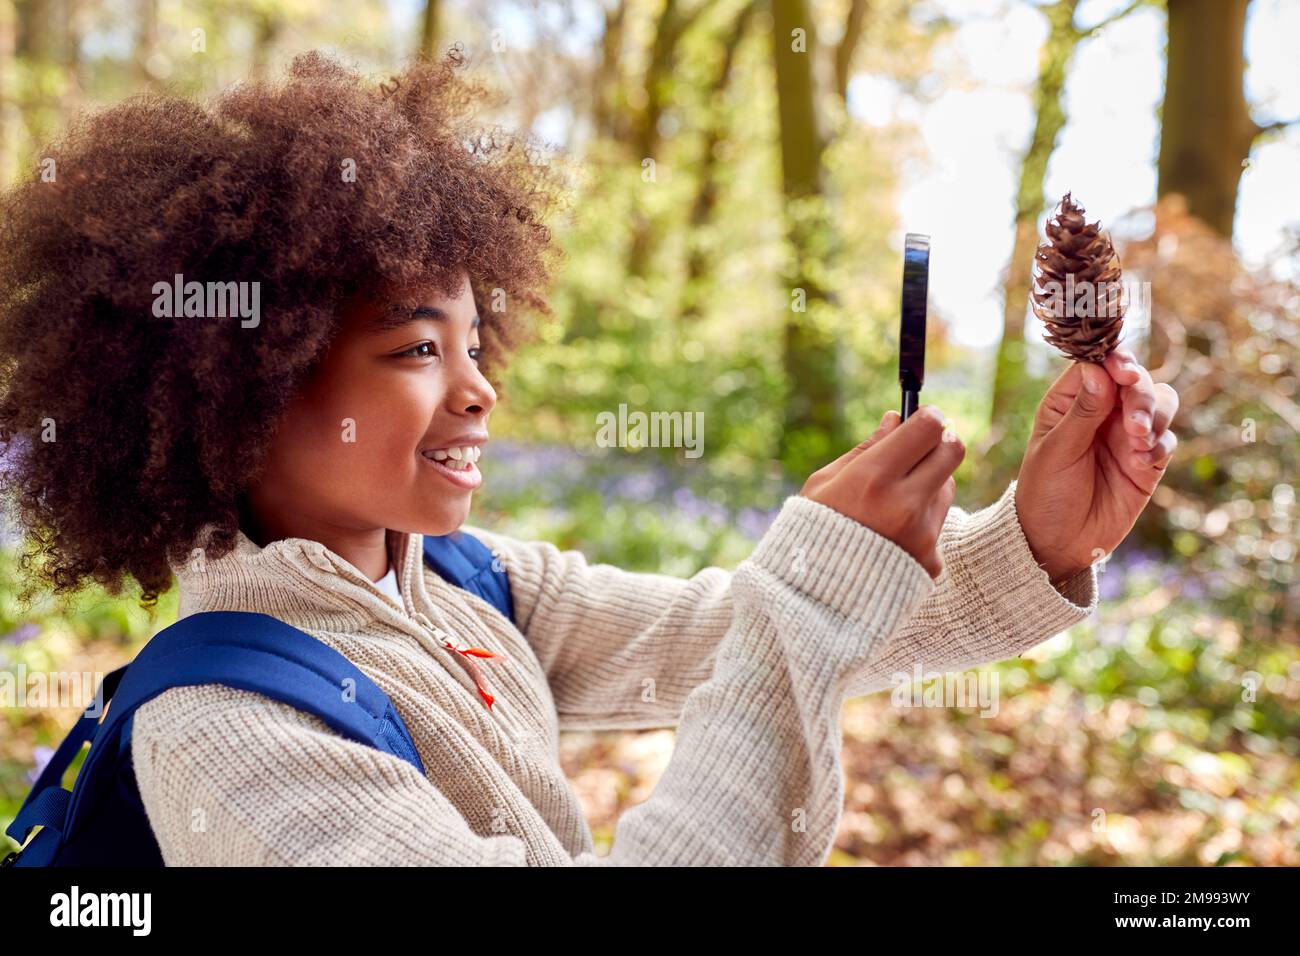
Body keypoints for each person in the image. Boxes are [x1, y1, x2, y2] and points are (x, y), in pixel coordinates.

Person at [0, 51, 1177, 866]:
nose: (481, 386)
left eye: (475, 339)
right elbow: (789, 622)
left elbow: (732, 640)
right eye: (417, 347)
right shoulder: (228, 729)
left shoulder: (465, 582)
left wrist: (1036, 538)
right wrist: (813, 581)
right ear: (242, 388)